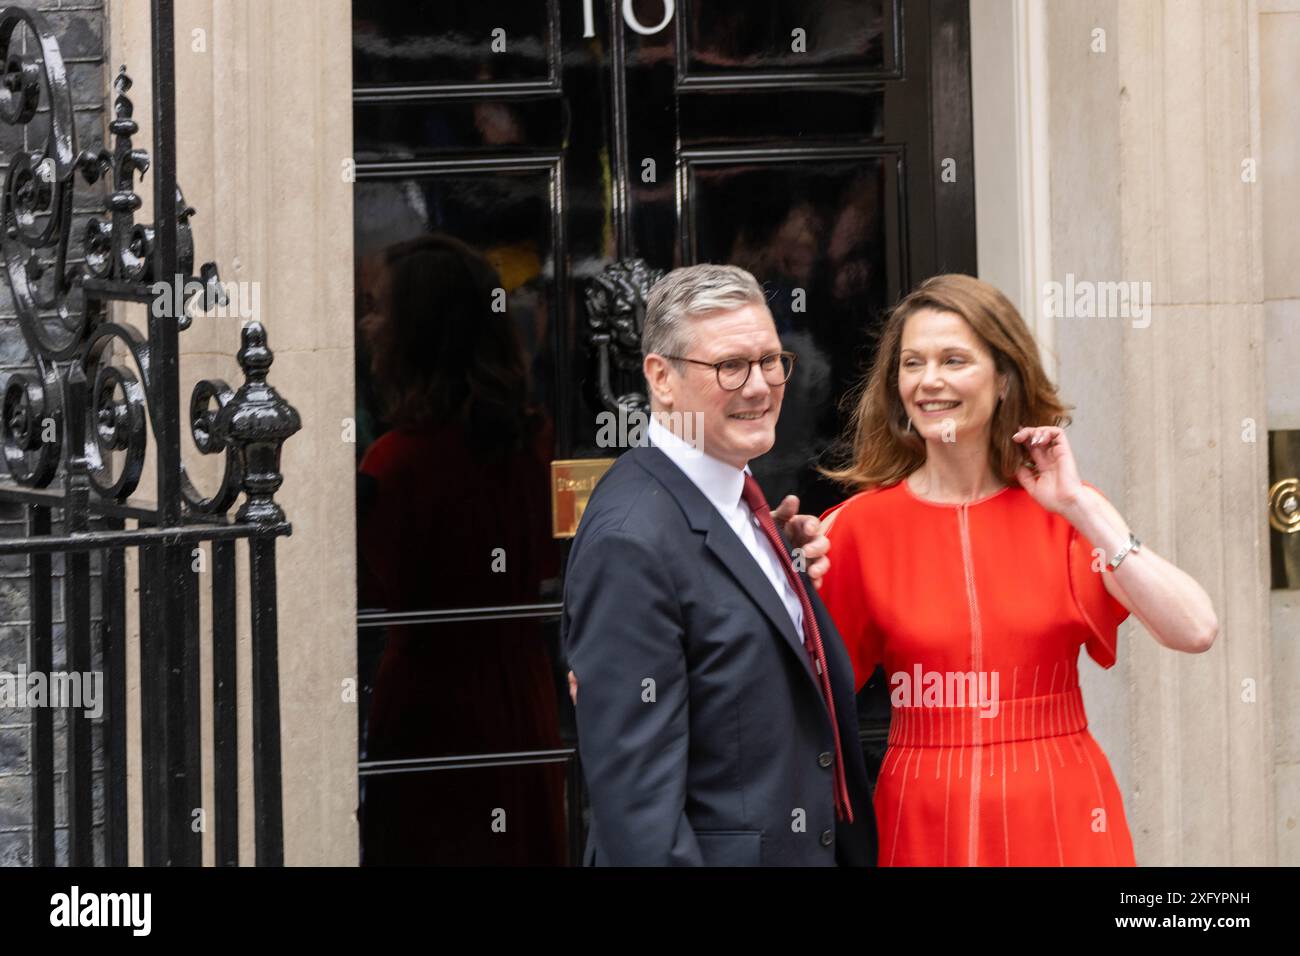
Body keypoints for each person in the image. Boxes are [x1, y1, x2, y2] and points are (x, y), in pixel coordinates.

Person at [817, 273, 1219, 866]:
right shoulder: (856, 526)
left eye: (954, 360)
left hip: (1059, 801)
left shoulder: (1068, 513)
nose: (930, 381)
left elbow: (1195, 629)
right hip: (924, 808)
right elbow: (811, 691)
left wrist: (1081, 505)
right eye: (912, 363)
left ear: (1004, 378)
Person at [562, 263, 877, 866]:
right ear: (662, 378)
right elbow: (640, 819)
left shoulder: (747, 503)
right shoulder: (630, 541)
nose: (760, 386)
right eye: (730, 366)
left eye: (769, 360)